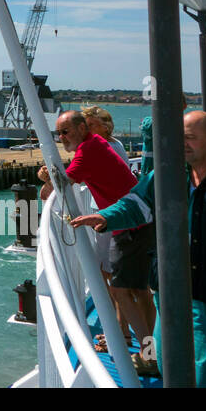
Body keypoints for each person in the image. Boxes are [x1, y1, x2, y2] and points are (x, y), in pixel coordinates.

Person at [72, 111, 206, 388]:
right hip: (169, 292)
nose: (182, 144)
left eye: (191, 138)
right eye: (179, 137)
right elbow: (136, 204)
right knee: (167, 364)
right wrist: (107, 217)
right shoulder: (167, 173)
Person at [40, 111, 156, 371]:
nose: (61, 138)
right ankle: (151, 351)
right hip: (136, 221)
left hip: (129, 225)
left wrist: (45, 176)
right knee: (140, 292)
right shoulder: (97, 144)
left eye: (65, 132)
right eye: (58, 133)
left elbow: (62, 182)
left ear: (82, 128)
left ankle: (150, 356)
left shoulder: (89, 150)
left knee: (120, 292)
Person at [81, 106, 133, 171]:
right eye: (86, 126)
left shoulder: (104, 147)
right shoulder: (116, 143)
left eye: (91, 125)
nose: (87, 129)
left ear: (105, 127)